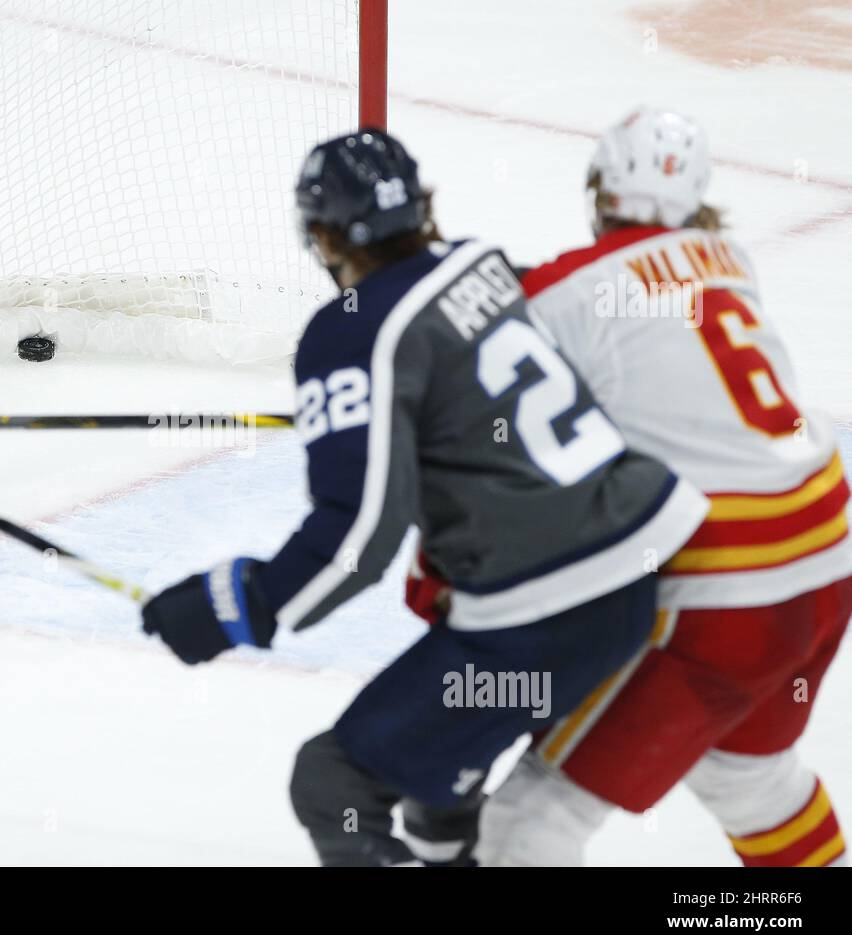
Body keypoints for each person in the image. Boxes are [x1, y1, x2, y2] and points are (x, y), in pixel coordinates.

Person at [139, 128, 708, 866]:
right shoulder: (483, 263)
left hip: (537, 623)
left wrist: (239, 604)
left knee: (334, 784)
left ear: (320, 233)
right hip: (635, 586)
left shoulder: (348, 335)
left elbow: (361, 533)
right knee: (439, 786)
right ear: (421, 205)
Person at [480, 107, 850, 867]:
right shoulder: (728, 257)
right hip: (825, 558)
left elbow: (503, 375)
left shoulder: (564, 295)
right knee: (749, 780)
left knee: (526, 826)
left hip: (727, 592)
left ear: (600, 191)